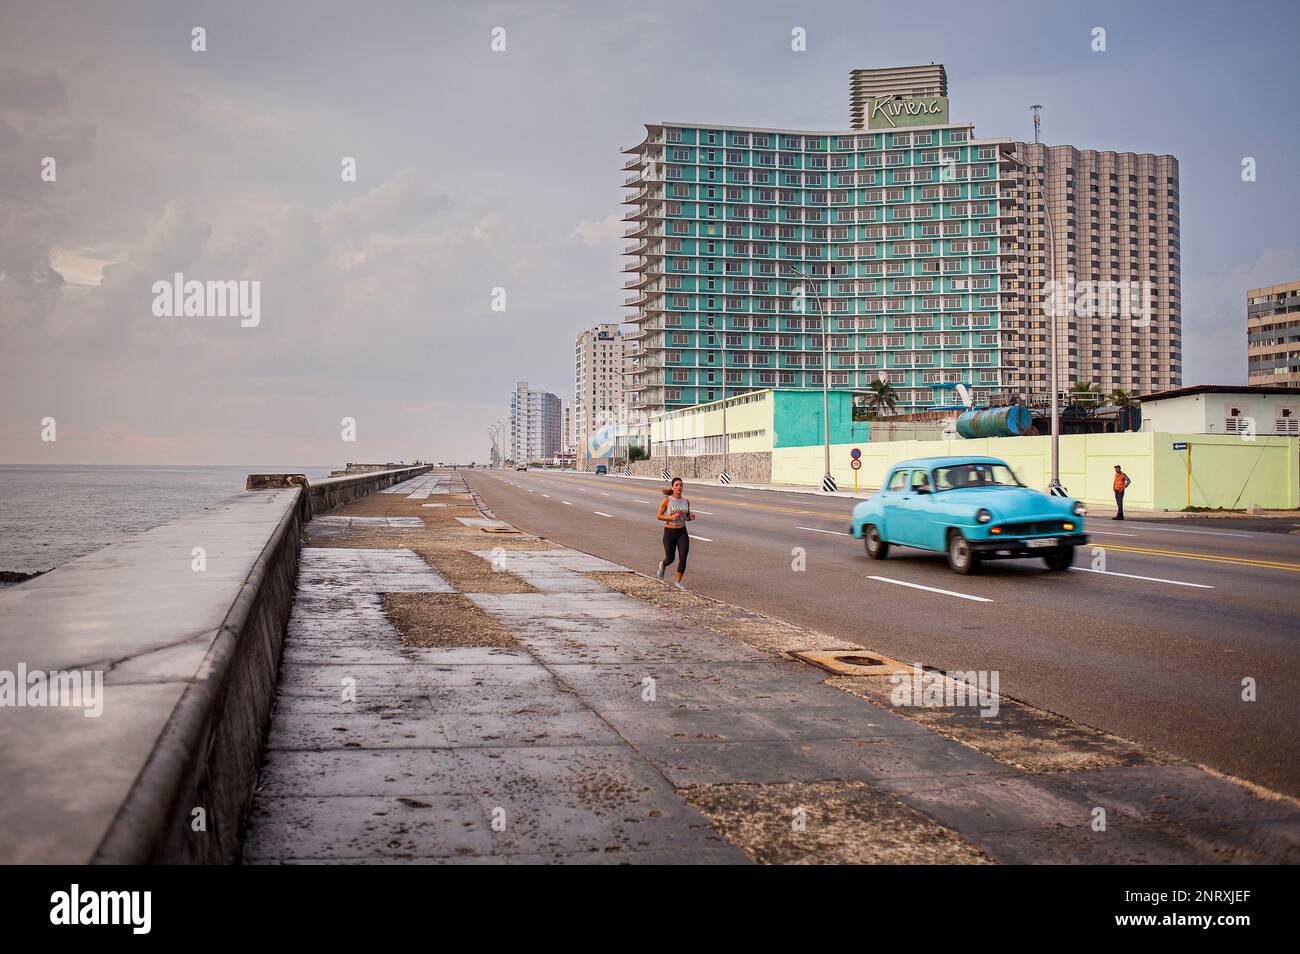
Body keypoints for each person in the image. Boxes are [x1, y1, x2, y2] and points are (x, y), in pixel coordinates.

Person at [655, 477, 694, 590]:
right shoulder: (667, 500)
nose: (679, 487)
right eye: (676, 485)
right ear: (673, 487)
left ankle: (678, 582)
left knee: (683, 557)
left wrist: (690, 517)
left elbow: (686, 517)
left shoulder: (686, 501)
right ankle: (662, 565)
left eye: (681, 485)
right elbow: (659, 516)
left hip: (682, 532)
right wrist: (671, 517)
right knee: (670, 558)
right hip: (669, 532)